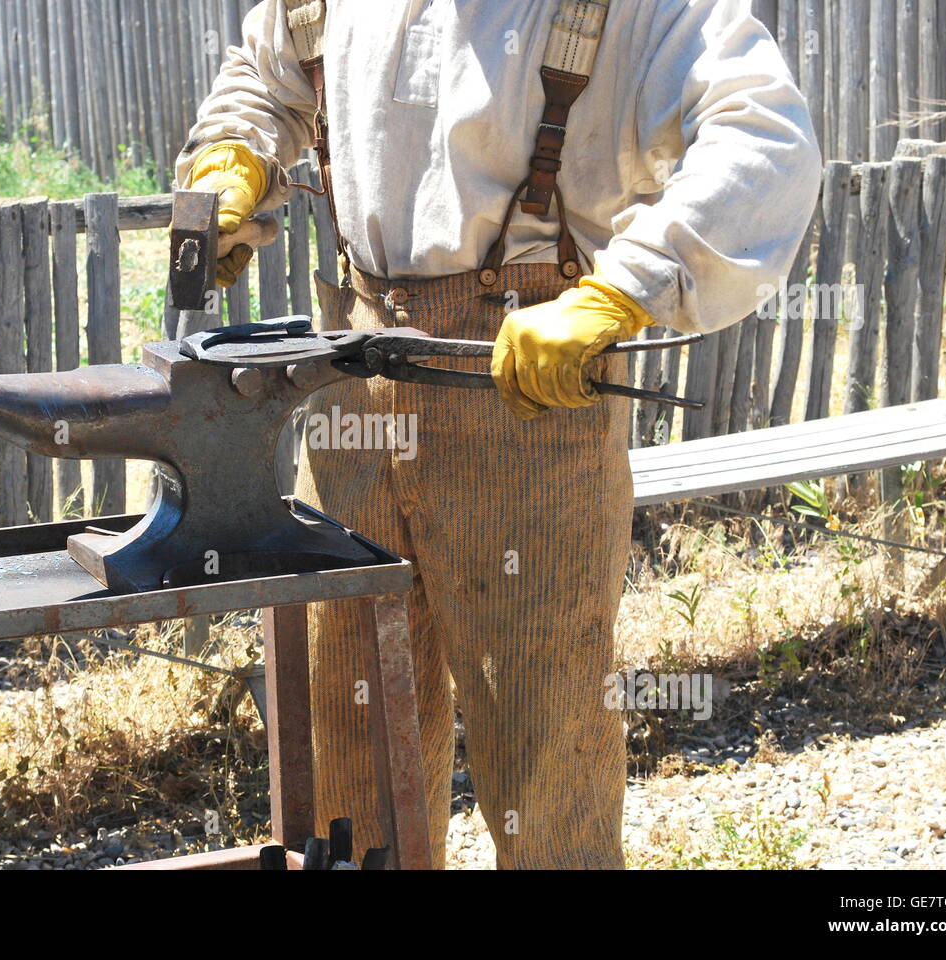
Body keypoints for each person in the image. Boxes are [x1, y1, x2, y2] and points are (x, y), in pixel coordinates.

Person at [176, 0, 821, 869]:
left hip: (529, 400)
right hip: (353, 385)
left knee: (543, 735)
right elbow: (268, 78)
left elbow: (767, 138)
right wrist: (233, 157)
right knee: (355, 721)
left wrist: (621, 288)